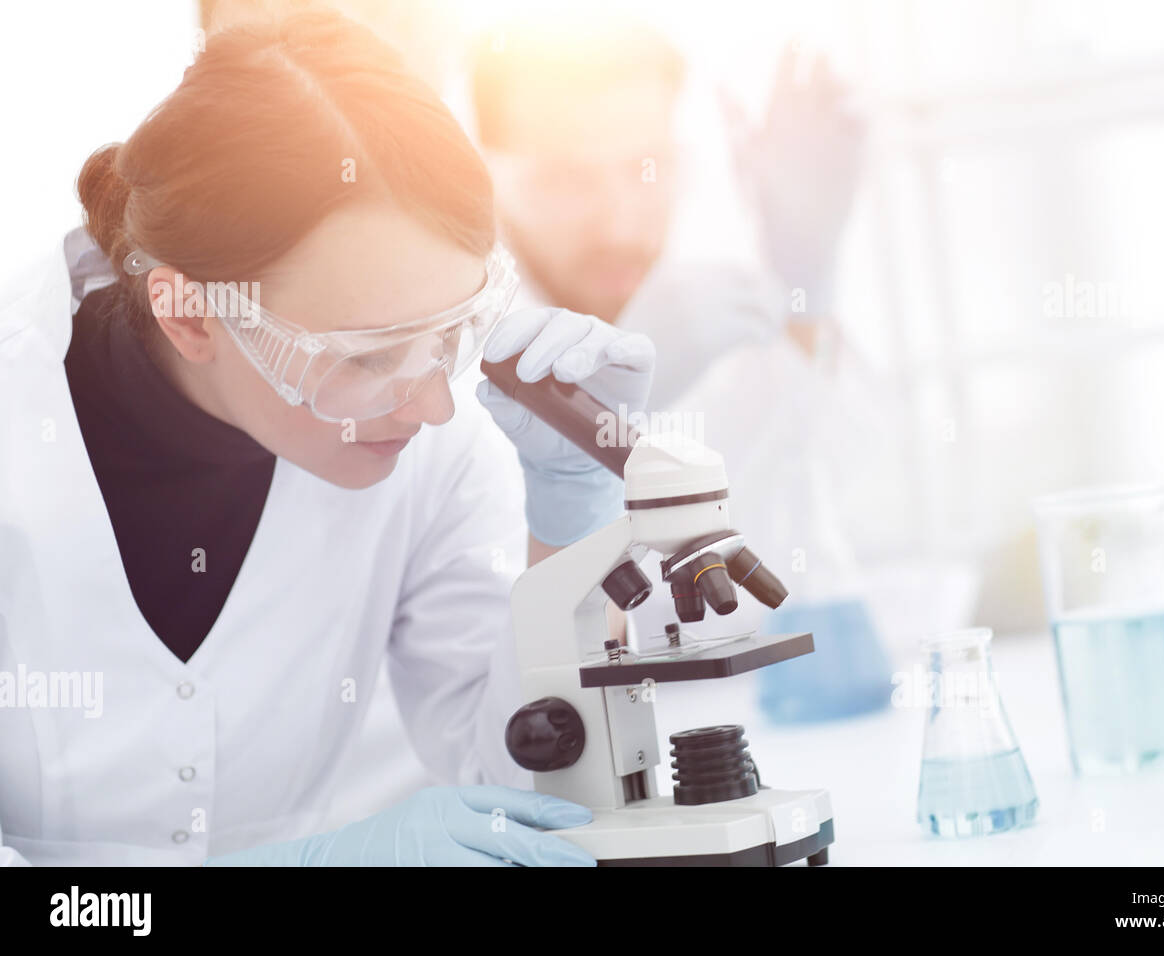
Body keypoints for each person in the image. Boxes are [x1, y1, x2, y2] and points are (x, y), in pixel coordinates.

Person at [0, 10, 655, 866]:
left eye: (448, 330)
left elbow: (532, 789)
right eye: (368, 355)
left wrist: (576, 530)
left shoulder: (429, 444)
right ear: (190, 313)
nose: (431, 405)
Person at [469, 17, 929, 716]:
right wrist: (595, 414)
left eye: (644, 168)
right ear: (489, 178)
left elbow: (839, 497)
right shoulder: (446, 343)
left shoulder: (708, 312)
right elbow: (485, 628)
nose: (619, 222)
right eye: (566, 181)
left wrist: (807, 280)